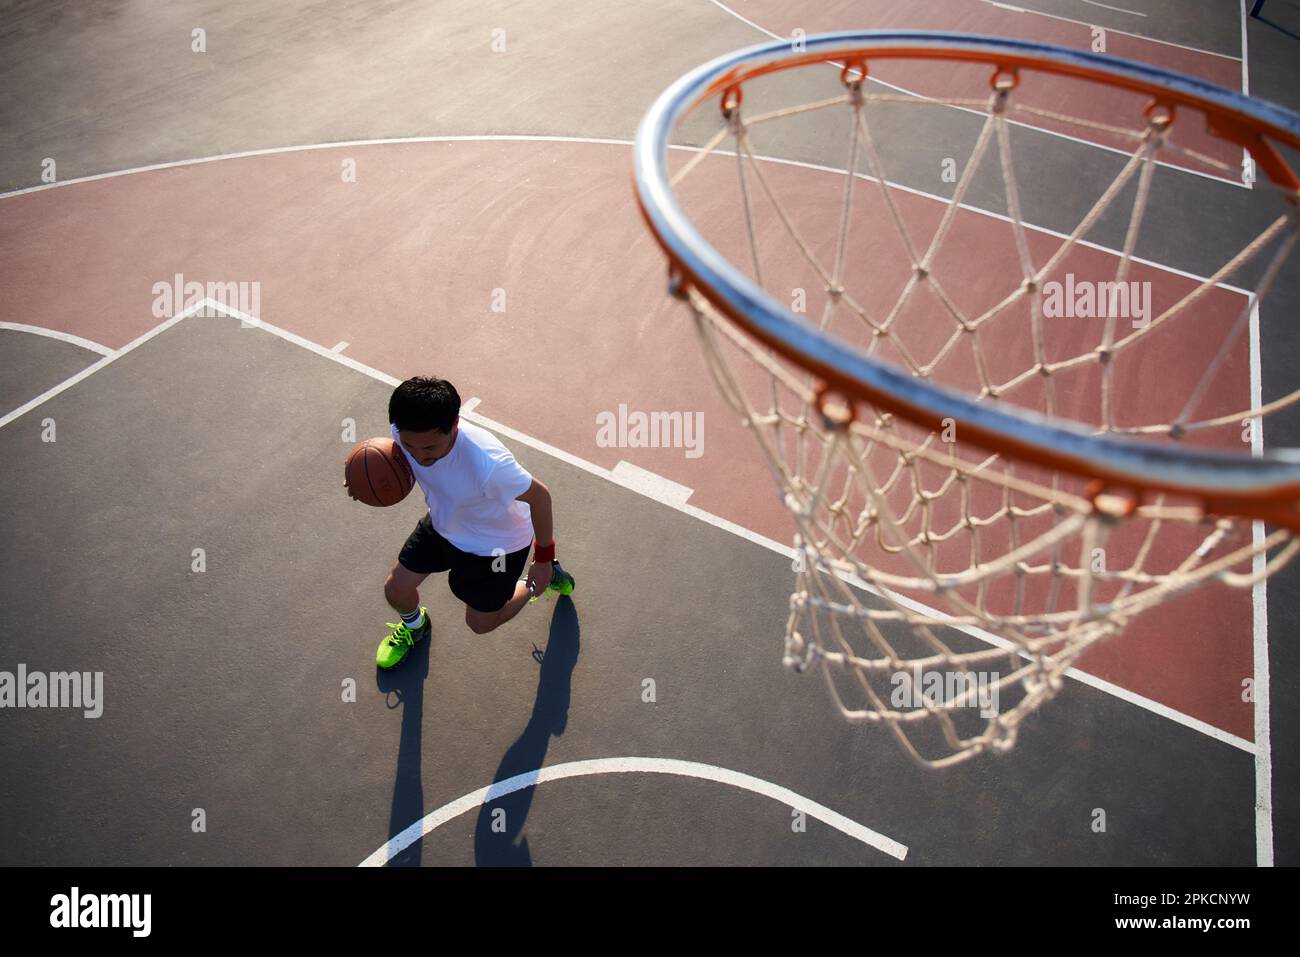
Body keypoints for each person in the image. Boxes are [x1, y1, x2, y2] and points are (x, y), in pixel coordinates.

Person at [374, 376, 574, 669]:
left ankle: (539, 582)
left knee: (480, 624)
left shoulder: (489, 465)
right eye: (409, 446)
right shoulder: (403, 431)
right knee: (396, 590)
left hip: (497, 546)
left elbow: (540, 498)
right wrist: (363, 482)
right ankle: (416, 627)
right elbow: (388, 464)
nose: (418, 455)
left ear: (454, 425)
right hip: (446, 523)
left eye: (429, 448)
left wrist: (543, 559)